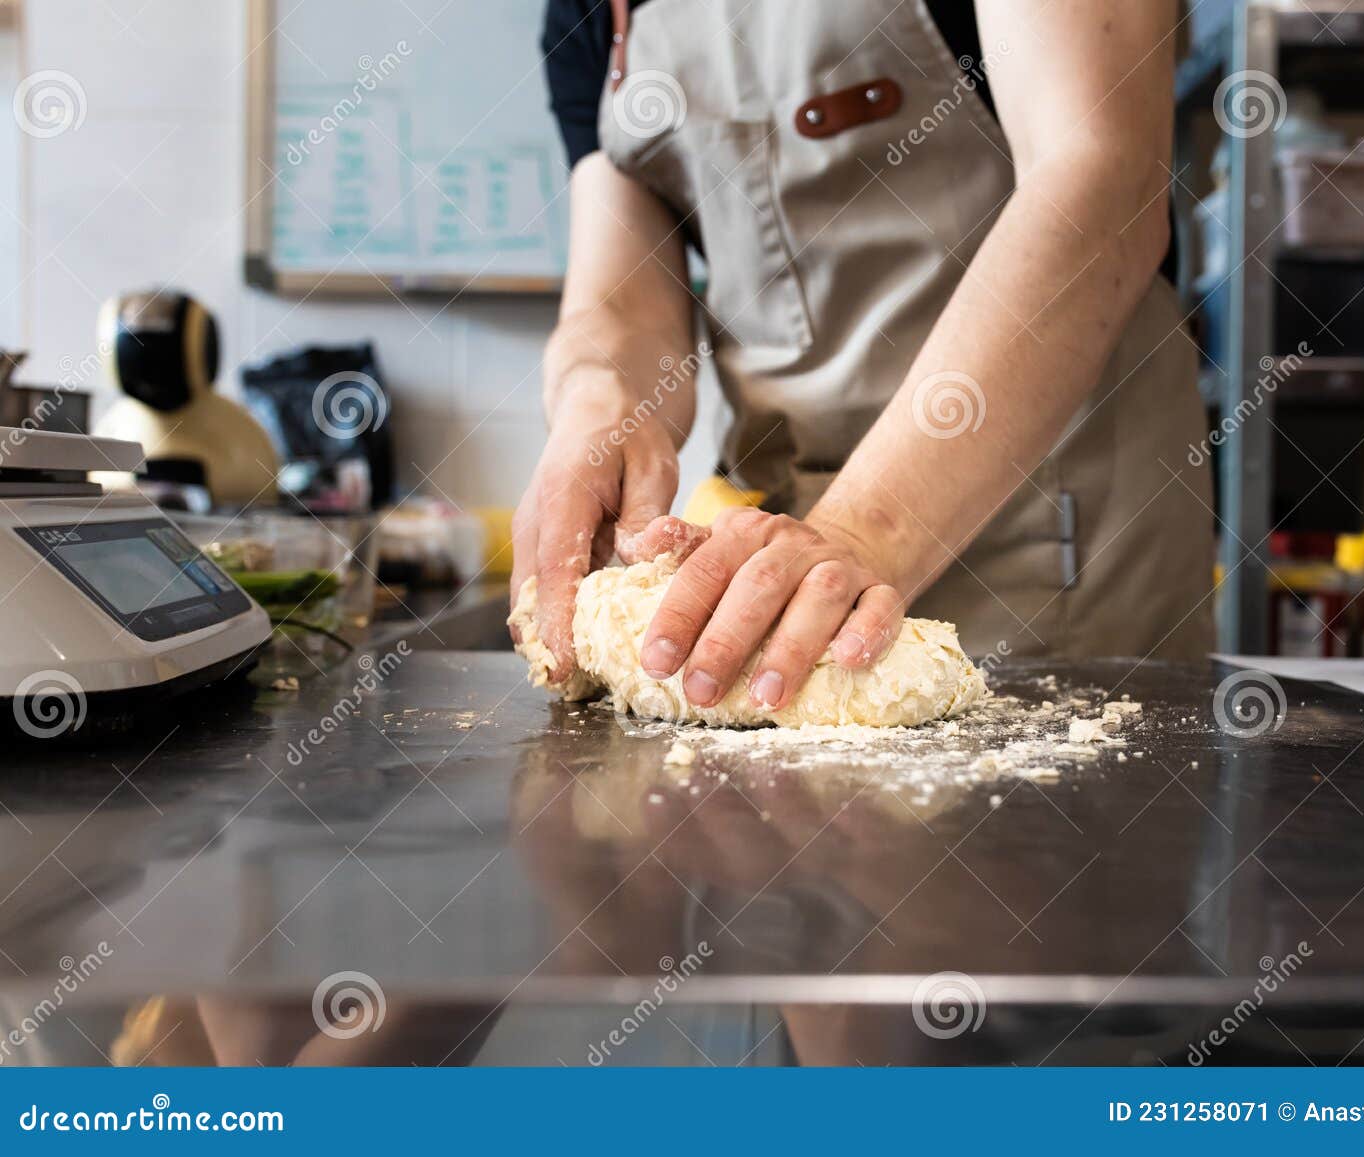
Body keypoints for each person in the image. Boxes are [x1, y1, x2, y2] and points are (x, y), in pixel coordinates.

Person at [512, 0, 1214, 714]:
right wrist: (596, 398)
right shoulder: (593, 13)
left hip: (1055, 554)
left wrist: (859, 532)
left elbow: (1103, 180)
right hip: (777, 567)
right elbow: (623, 297)